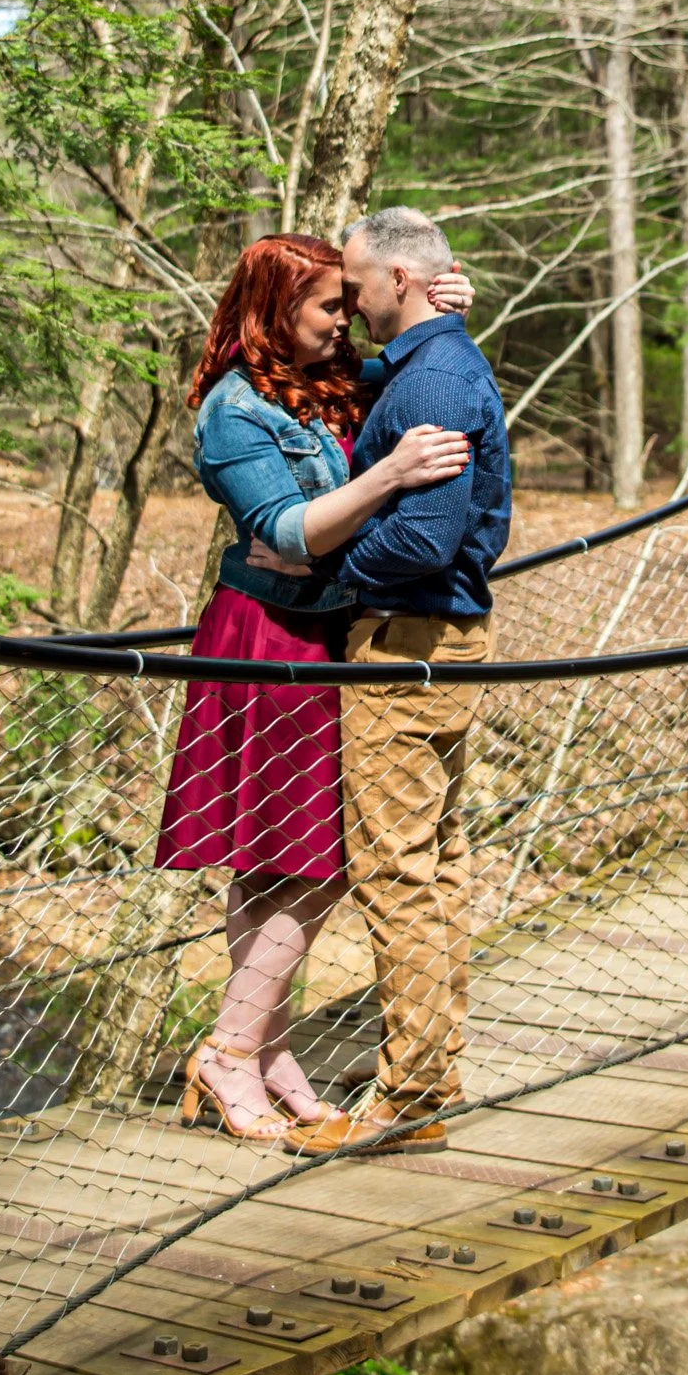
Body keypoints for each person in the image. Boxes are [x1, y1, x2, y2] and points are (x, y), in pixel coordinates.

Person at [155, 233, 473, 1148]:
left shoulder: (333, 381)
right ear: (274, 308)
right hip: (267, 640)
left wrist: (447, 305)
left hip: (322, 635)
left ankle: (265, 1047)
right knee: (313, 858)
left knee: (277, 859)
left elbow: (416, 351)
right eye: (329, 305)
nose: (345, 321)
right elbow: (289, 531)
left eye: (348, 302)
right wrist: (387, 475)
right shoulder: (234, 410)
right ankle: (227, 1052)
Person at [257, 206, 511, 1155]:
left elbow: (424, 535)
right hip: (442, 644)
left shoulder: (433, 381)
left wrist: (326, 583)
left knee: (398, 875)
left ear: (399, 281)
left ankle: (408, 1103)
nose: (350, 301)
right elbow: (350, 379)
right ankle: (426, 1075)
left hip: (407, 650)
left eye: (357, 284)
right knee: (436, 872)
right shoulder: (427, 364)